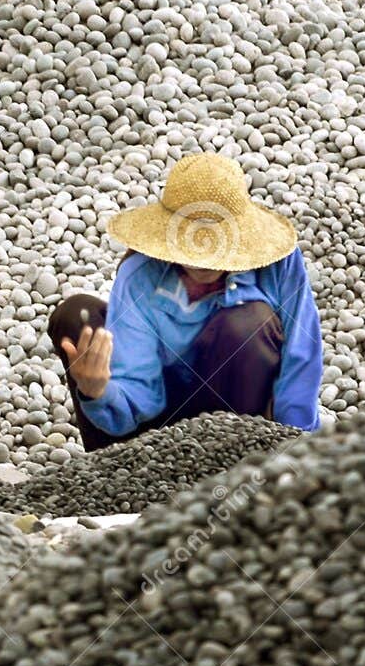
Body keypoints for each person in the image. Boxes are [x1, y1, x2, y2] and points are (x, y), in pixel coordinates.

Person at [49, 151, 323, 451]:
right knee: (77, 314)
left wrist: (297, 447)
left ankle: (237, 462)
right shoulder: (140, 275)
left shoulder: (279, 264)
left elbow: (301, 355)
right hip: (153, 431)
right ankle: (115, 467)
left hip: (241, 423)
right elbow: (137, 383)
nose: (202, 262)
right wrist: (98, 392)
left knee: (248, 323)